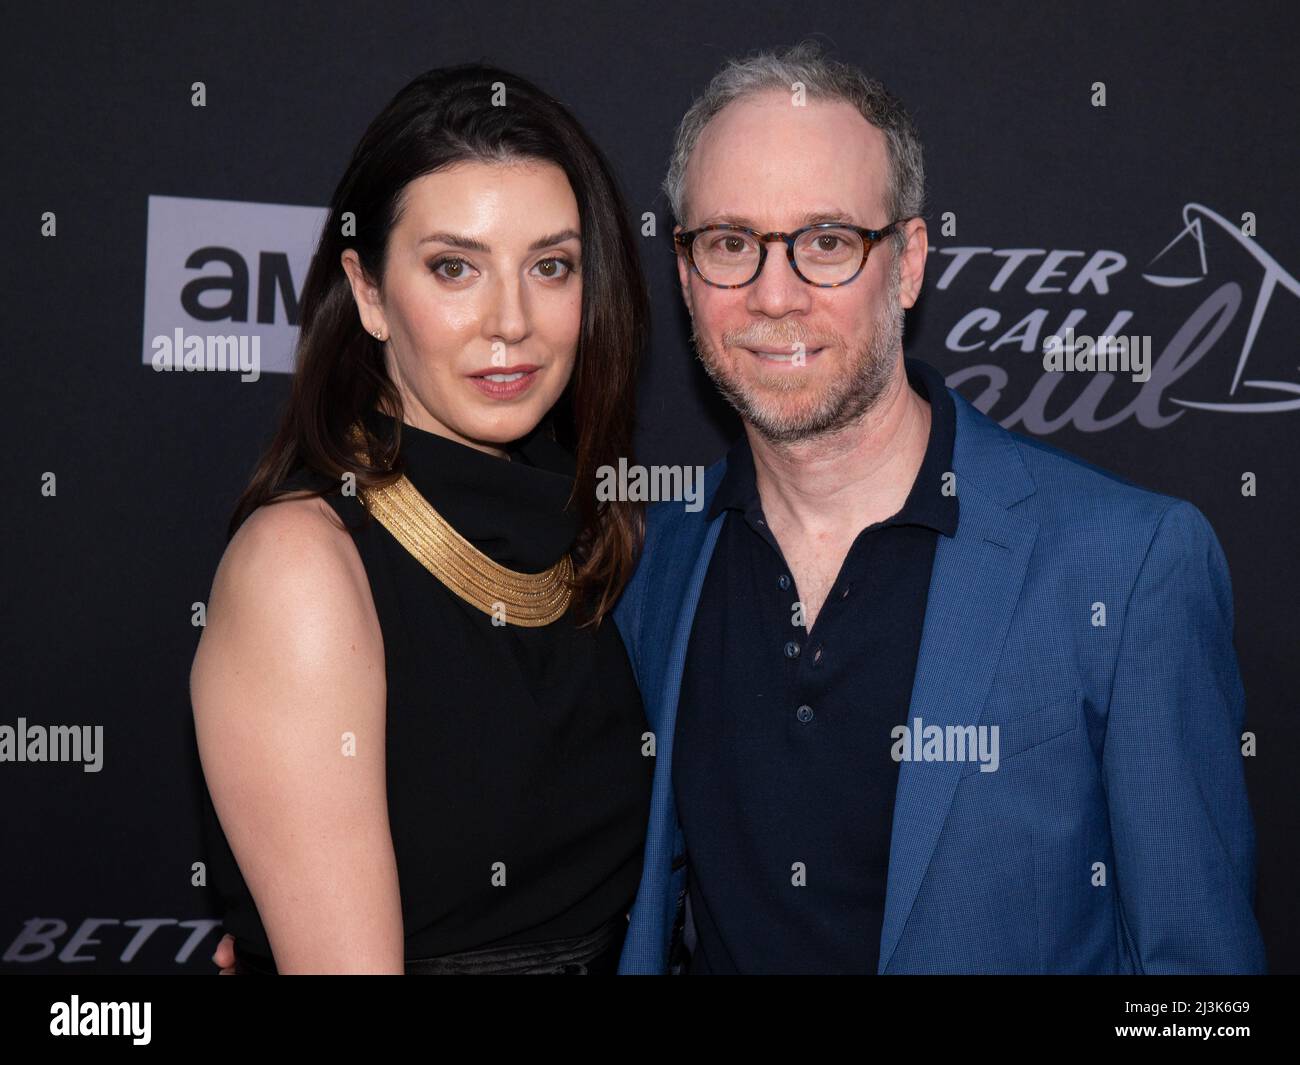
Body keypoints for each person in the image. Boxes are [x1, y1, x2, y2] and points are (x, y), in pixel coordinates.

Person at [614, 42, 1266, 974]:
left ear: (909, 263)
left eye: (827, 242)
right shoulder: (657, 560)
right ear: (685, 274)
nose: (774, 294)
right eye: (730, 243)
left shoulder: (1125, 567)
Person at [191, 64, 653, 974]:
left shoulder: (583, 523)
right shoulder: (304, 568)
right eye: (454, 267)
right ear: (367, 292)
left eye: (551, 266)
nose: (511, 321)